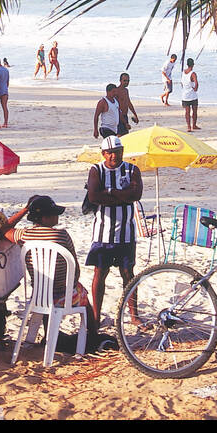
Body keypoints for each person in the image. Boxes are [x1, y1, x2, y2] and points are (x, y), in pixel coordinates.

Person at [4, 195, 98, 347]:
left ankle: (49, 333)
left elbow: (2, 229)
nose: (57, 216)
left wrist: (25, 209)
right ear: (44, 218)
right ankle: (93, 335)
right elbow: (75, 267)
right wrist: (73, 282)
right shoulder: (62, 235)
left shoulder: (24, 235)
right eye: (53, 214)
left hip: (39, 296)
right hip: (62, 296)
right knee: (83, 297)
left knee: (49, 288)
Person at [85, 136, 143, 336]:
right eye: (109, 152)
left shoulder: (132, 169)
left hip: (126, 233)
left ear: (122, 151)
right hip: (103, 234)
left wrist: (108, 192)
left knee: (128, 273)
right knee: (100, 274)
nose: (113, 156)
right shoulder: (96, 170)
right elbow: (94, 196)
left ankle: (134, 315)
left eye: (116, 152)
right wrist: (121, 195)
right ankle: (95, 314)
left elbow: (136, 195)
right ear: (103, 154)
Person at [181, 58, 199, 132]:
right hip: (192, 95)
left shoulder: (183, 72)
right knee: (194, 111)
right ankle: (194, 125)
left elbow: (182, 82)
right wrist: (195, 88)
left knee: (187, 112)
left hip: (185, 95)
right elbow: (196, 83)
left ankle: (189, 126)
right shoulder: (193, 73)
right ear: (193, 64)